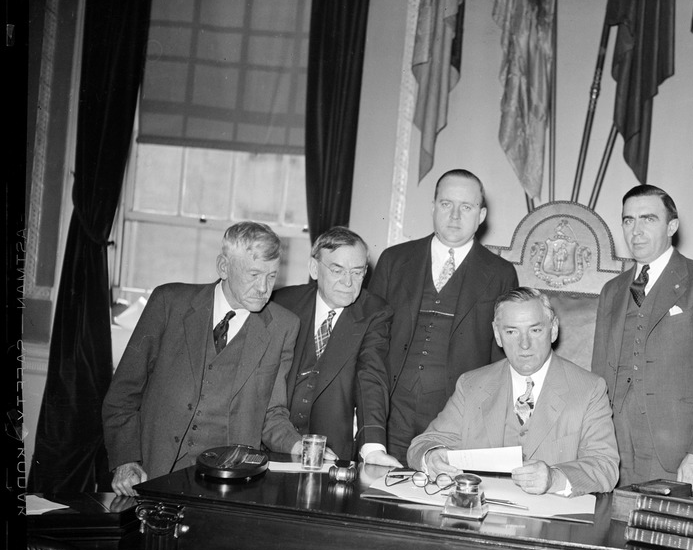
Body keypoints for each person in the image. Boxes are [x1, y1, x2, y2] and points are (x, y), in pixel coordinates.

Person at [102, 221, 304, 496]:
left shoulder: (283, 326)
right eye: (254, 274)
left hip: (227, 486)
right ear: (224, 267)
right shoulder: (169, 303)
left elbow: (272, 413)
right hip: (152, 476)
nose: (263, 288)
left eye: (271, 276)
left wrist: (299, 446)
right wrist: (126, 461)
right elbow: (122, 396)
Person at [591, 184, 693, 495]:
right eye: (628, 220)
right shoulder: (612, 290)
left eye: (648, 219)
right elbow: (598, 376)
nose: (636, 231)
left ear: (672, 226)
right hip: (613, 450)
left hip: (675, 452)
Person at [408, 287, 618, 496]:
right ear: (497, 335)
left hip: (551, 525)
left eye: (535, 330)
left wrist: (555, 478)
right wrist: (432, 456)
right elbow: (422, 444)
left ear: (553, 329)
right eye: (511, 332)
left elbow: (605, 467)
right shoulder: (471, 385)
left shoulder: (589, 389)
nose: (524, 344)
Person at [368, 169, 518, 461]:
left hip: (455, 422)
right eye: (447, 204)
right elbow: (370, 345)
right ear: (433, 207)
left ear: (482, 214)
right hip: (389, 415)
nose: (455, 216)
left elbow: (500, 360)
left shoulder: (500, 274)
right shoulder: (394, 260)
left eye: (467, 207)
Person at [270, 228, 399, 467]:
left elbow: (371, 378)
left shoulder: (375, 312)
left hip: (333, 454)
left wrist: (372, 447)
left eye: (357, 272)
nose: (348, 282)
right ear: (313, 268)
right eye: (337, 270)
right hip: (272, 448)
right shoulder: (282, 303)